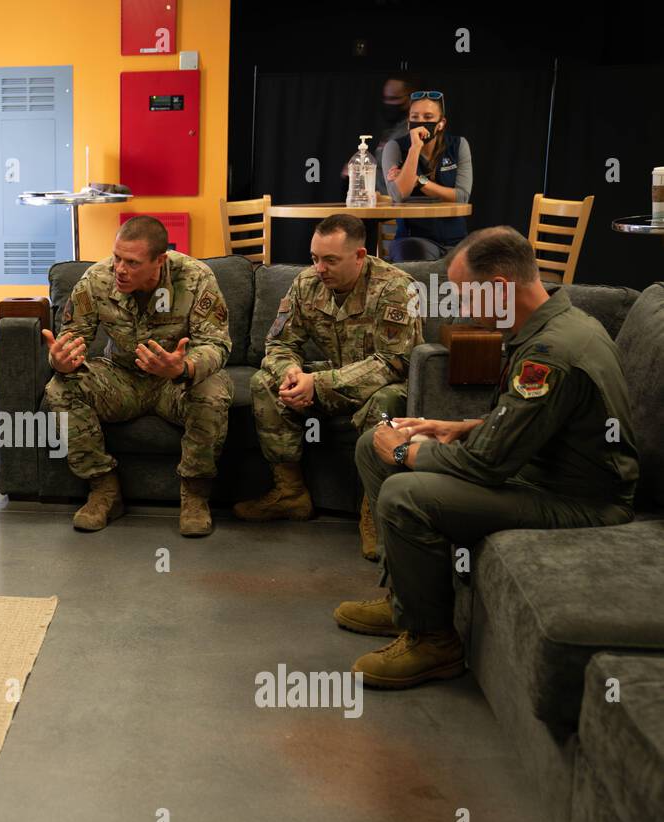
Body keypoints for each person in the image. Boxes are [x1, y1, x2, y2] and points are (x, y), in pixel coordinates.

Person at [335, 226, 638, 688]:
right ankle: (407, 601)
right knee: (369, 449)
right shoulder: (553, 325)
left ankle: (434, 642)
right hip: (541, 469)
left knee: (403, 490)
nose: (460, 308)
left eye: (464, 294)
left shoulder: (551, 352)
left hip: (581, 502)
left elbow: (488, 465)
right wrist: (458, 427)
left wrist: (408, 449)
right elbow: (534, 423)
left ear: (497, 288)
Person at [233, 214, 421, 560]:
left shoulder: (397, 288)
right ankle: (290, 493)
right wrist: (292, 372)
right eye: (315, 257)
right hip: (334, 379)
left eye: (330, 260)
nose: (320, 268)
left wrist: (317, 383)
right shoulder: (306, 283)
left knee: (385, 400)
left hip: (386, 385)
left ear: (360, 256)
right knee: (265, 382)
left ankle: (372, 510)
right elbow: (278, 344)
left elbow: (395, 362)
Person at [41, 216, 234, 536]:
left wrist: (183, 367)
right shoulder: (96, 280)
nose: (119, 268)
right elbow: (73, 338)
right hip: (122, 379)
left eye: (132, 262)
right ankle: (104, 490)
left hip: (176, 382)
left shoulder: (196, 277)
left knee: (212, 392)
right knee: (60, 387)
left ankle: (195, 496)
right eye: (117, 257)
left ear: (160, 260)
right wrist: (61, 362)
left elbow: (217, 344)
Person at [381, 90, 472, 261]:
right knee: (417, 260)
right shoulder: (395, 148)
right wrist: (415, 148)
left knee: (476, 267)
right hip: (413, 239)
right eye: (415, 117)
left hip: (456, 240)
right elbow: (399, 194)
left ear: (441, 123)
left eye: (428, 117)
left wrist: (419, 181)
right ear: (409, 122)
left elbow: (461, 197)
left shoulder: (458, 145)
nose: (421, 122)